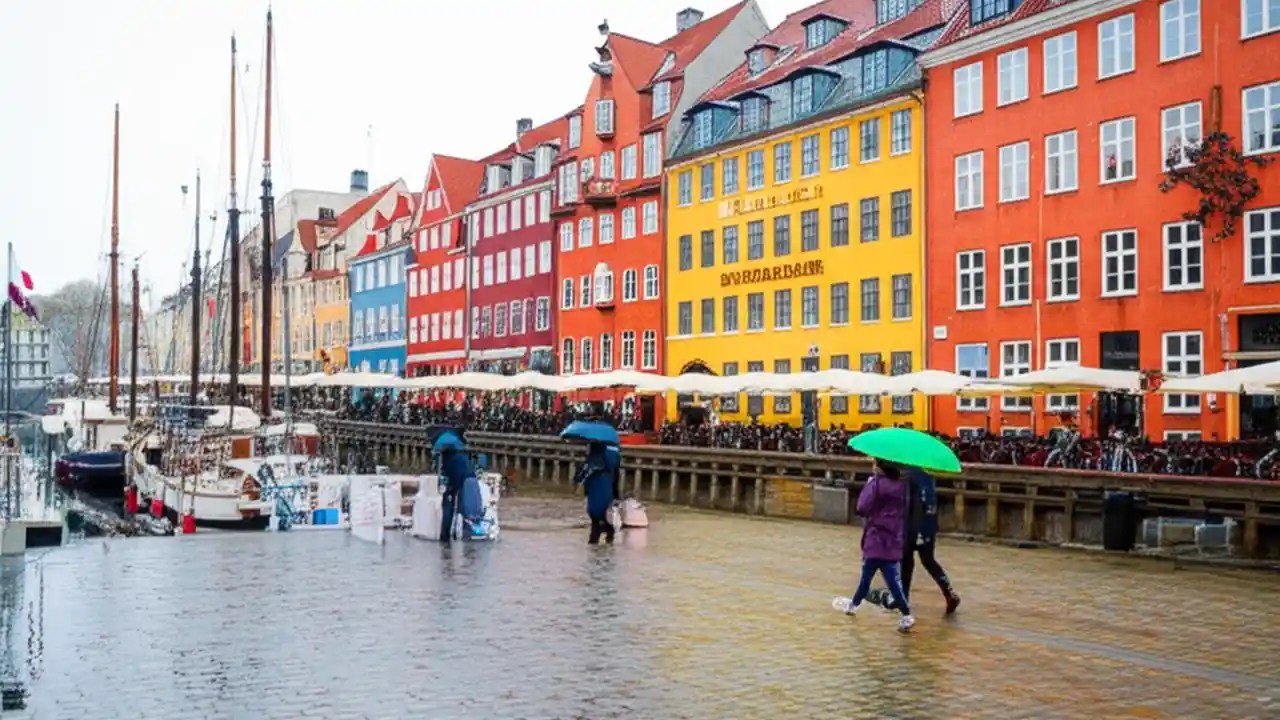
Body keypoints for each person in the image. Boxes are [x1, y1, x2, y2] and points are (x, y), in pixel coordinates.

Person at [869, 468, 960, 615]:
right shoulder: (926, 474)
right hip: (926, 525)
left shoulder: (907, 476)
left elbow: (909, 503)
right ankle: (948, 592)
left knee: (908, 562)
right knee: (927, 560)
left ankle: (903, 598)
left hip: (913, 525)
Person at [845, 459, 915, 633]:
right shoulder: (901, 485)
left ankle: (853, 605)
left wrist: (870, 486)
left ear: (879, 465)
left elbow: (862, 507)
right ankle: (906, 614)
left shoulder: (876, 483)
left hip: (875, 538)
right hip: (893, 538)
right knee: (893, 582)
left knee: (866, 578)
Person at [575, 441, 620, 545]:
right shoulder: (610, 462)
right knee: (608, 522)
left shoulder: (591, 463)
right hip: (608, 497)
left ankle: (594, 550)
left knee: (595, 527)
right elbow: (616, 479)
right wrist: (615, 496)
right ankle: (609, 546)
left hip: (595, 498)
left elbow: (580, 478)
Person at [437, 439, 475, 543]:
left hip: (460, 485)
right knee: (466, 511)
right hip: (471, 484)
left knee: (448, 509)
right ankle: (466, 533)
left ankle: (445, 535)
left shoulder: (449, 461)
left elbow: (453, 477)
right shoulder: (462, 458)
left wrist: (451, 489)